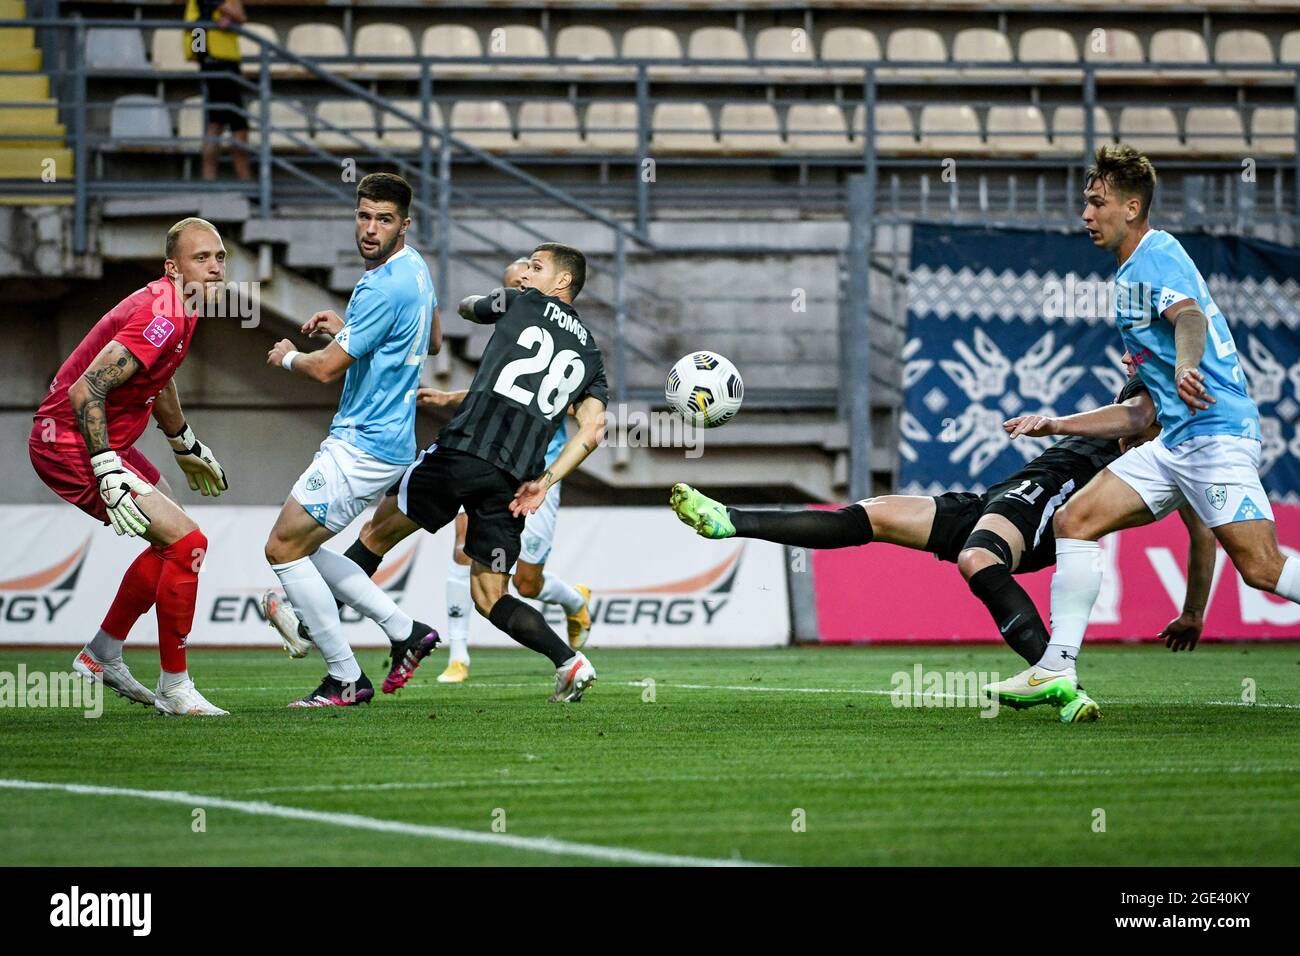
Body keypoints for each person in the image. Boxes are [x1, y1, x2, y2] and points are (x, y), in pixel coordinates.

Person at [671, 355, 1216, 723]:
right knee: (875, 514)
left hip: (1048, 494)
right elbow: (1201, 534)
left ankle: (1059, 678)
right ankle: (729, 520)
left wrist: (1055, 423)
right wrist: (1193, 613)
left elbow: (1138, 420)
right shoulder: (1173, 442)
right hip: (1009, 494)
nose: (1127, 363)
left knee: (979, 557)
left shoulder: (1157, 419)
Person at [987, 144, 1300, 710]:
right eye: (1085, 202)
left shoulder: (1157, 256)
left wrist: (1185, 365)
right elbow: (1138, 416)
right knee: (1074, 520)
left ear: (1131, 208)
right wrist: (1056, 423)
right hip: (1177, 441)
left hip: (1216, 433)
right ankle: (1055, 668)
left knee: (1261, 568)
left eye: (1096, 202)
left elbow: (1190, 317)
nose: (1086, 214)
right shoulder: (1129, 275)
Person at [315, 243, 609, 702]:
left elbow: (469, 309)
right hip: (515, 480)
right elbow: (591, 432)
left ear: (563, 282)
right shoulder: (592, 356)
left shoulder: (519, 299)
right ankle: (570, 662)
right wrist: (545, 481)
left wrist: (500, 295)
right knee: (491, 595)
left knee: (377, 533)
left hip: (463, 453)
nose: (527, 274)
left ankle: (306, 621)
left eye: (536, 267)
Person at [28, 217, 231, 716]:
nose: (214, 268)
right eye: (200, 258)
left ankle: (101, 655)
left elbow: (157, 377)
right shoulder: (163, 312)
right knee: (188, 543)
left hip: (101, 441)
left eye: (220, 257)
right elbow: (85, 390)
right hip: (69, 444)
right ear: (172, 266)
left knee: (175, 543)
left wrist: (183, 442)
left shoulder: (179, 307)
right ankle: (174, 686)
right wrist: (104, 467)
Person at [261, 172, 439, 708]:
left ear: (404, 224)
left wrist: (287, 355)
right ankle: (405, 630)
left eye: (383, 219)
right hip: (388, 442)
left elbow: (323, 370)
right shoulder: (415, 267)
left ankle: (345, 678)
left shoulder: (382, 284)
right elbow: (429, 340)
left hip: (362, 443)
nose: (370, 228)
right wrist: (352, 326)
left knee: (282, 548)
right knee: (305, 548)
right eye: (363, 216)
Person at [185, 0, 252, 181]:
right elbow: (239, 14)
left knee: (218, 123)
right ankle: (245, 185)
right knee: (236, 125)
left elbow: (237, 14)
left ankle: (210, 182)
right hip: (214, 59)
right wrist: (235, 16)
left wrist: (234, 17)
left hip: (219, 58)